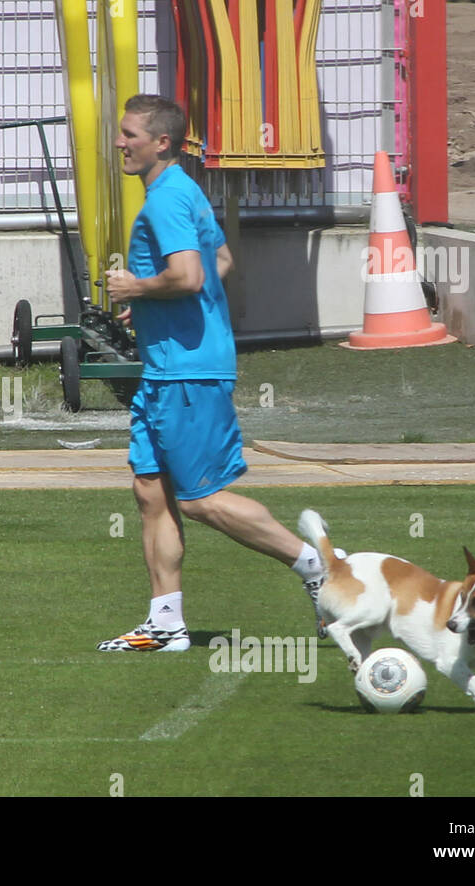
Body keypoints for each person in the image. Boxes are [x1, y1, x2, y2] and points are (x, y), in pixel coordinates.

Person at [97, 95, 326, 652]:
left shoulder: (164, 201)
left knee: (200, 499)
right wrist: (154, 304)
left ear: (162, 144)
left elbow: (192, 275)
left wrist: (135, 287)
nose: (121, 143)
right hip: (168, 370)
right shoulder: (184, 189)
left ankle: (317, 568)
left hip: (187, 375)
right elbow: (220, 261)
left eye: (130, 135)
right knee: (150, 491)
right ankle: (166, 624)